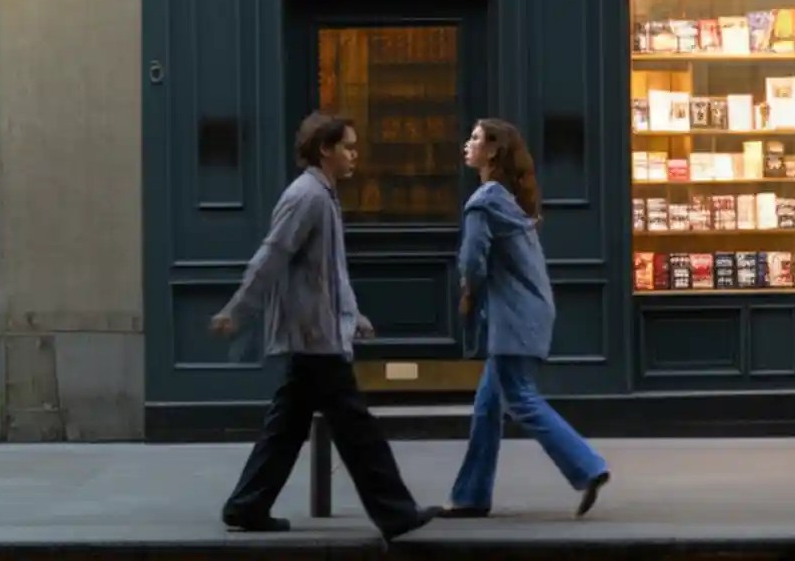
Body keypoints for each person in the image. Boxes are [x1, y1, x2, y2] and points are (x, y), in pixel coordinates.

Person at [209, 112, 439, 540]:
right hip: (313, 336)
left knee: (287, 426)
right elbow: (272, 255)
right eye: (348, 147)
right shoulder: (307, 197)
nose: (355, 155)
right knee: (357, 429)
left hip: (318, 333)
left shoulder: (324, 196)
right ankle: (395, 512)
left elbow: (331, 273)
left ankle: (247, 504)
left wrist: (353, 316)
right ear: (324, 150)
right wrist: (238, 309)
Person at [439, 118, 611, 520]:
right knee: (487, 409)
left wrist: (467, 293)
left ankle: (588, 466)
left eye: (476, 138)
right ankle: (471, 496)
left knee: (520, 397)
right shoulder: (509, 200)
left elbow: (472, 260)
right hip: (529, 312)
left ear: (493, 151)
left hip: (513, 319)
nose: (468, 143)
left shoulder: (483, 201)